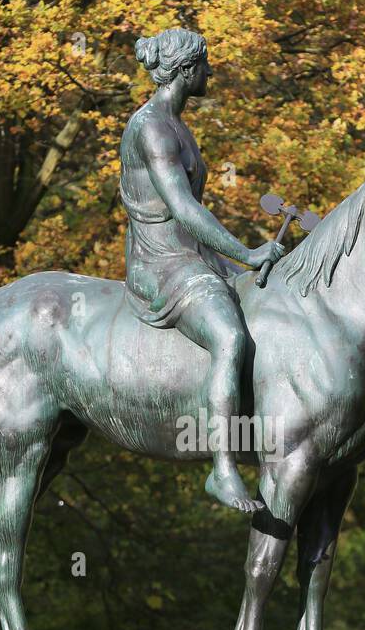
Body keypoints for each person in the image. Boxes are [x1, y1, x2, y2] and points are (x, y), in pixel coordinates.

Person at [120, 26, 282, 513]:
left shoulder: (176, 123)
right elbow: (185, 210)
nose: (210, 72)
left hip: (193, 258)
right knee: (230, 339)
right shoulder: (151, 127)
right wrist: (247, 254)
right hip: (161, 264)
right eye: (205, 65)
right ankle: (223, 469)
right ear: (187, 71)